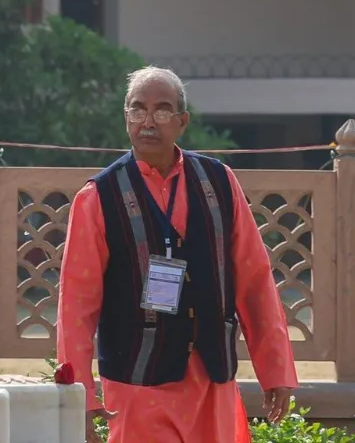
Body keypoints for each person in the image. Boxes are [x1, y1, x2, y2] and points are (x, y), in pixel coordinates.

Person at [56, 66, 297, 443]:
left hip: (211, 378)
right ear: (126, 119)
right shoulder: (97, 198)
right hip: (138, 382)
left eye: (162, 110)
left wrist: (276, 370)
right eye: (138, 110)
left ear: (182, 121)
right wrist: (81, 396)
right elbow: (76, 306)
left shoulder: (220, 182)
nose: (149, 122)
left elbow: (255, 282)